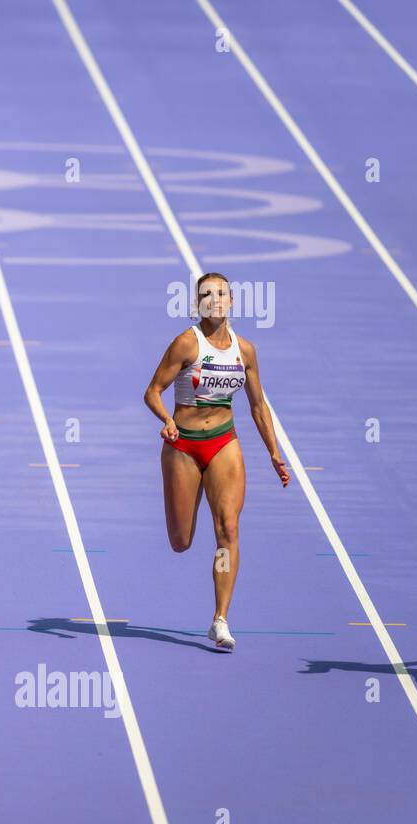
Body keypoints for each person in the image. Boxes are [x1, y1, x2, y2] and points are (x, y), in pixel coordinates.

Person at [144, 272, 290, 651]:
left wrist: (274, 452)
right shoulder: (185, 344)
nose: (215, 300)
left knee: (228, 528)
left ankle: (220, 619)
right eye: (207, 295)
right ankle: (184, 528)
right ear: (198, 304)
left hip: (224, 442)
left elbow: (258, 406)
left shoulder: (246, 351)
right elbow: (152, 392)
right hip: (184, 447)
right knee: (181, 541)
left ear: (232, 301)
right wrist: (167, 420)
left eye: (221, 294)